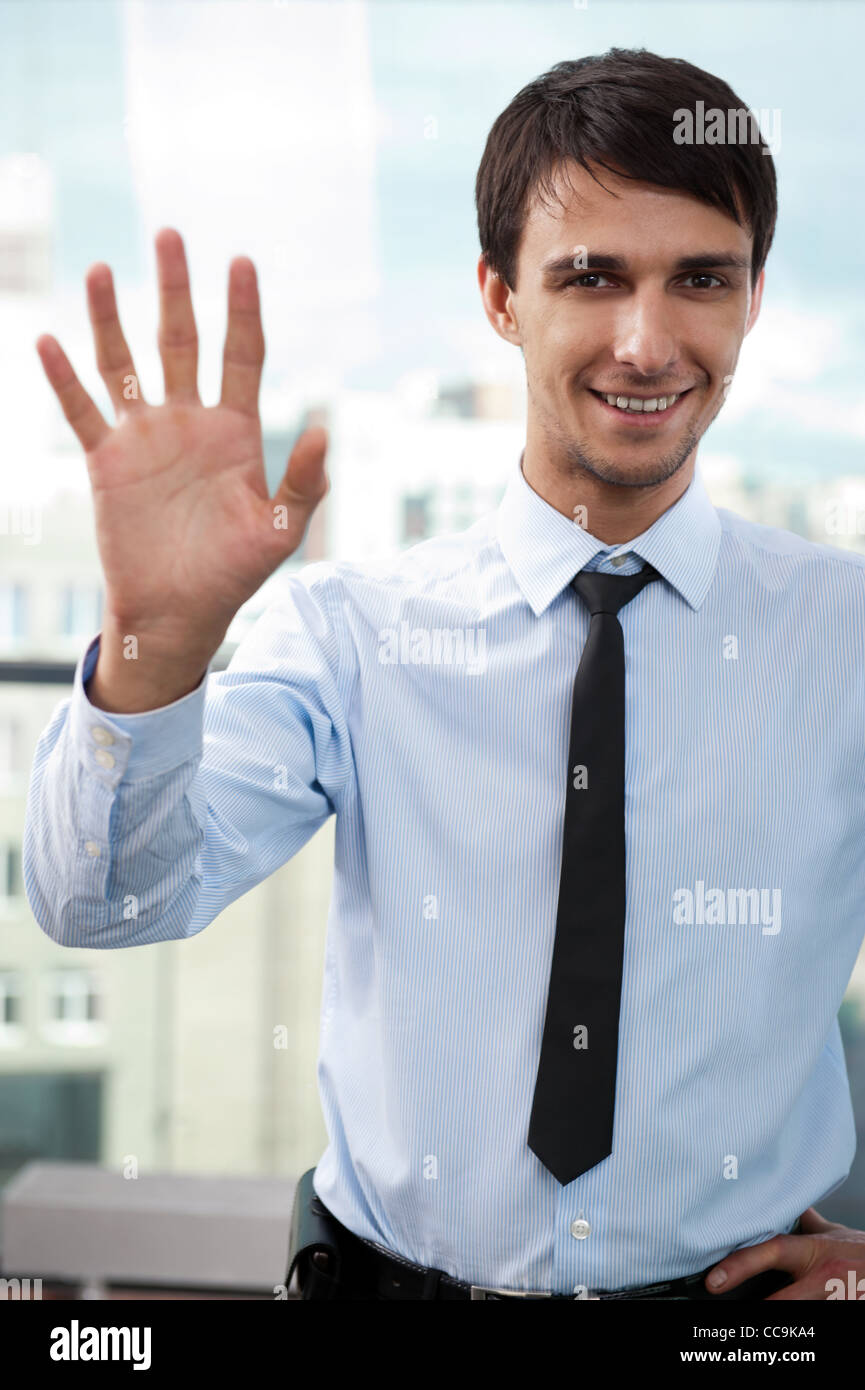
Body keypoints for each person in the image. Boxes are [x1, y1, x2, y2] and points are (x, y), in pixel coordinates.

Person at [23, 47, 865, 1301]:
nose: (646, 341)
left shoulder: (842, 636)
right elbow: (104, 905)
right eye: (590, 277)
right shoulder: (349, 634)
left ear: (749, 300)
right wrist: (158, 642)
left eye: (701, 278)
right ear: (498, 297)